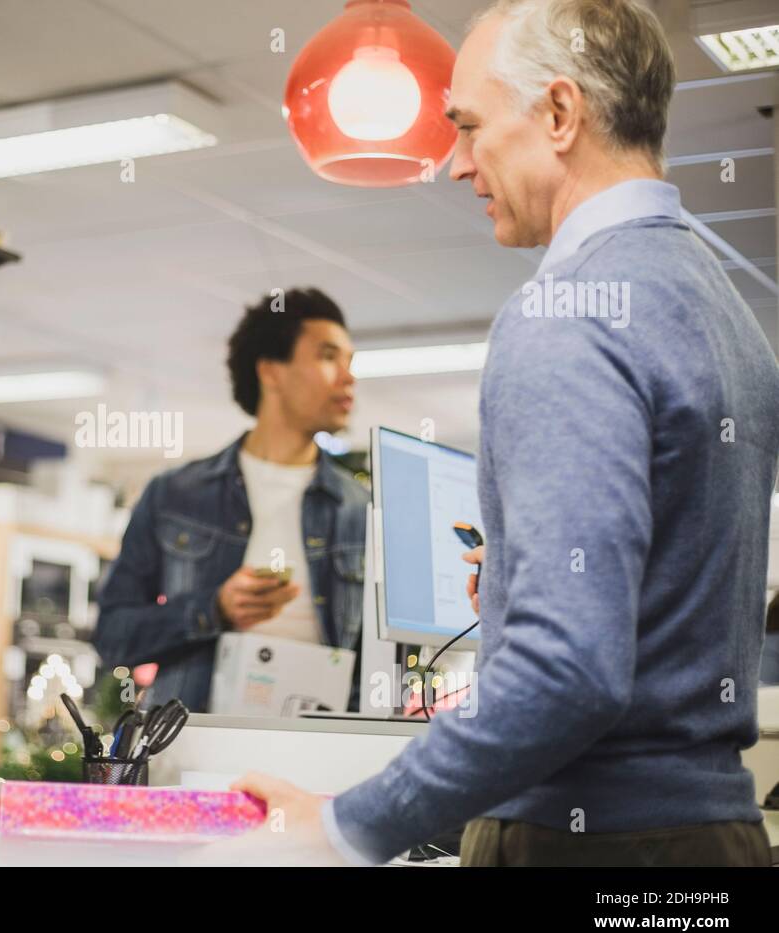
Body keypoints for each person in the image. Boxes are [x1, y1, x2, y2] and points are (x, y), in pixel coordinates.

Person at [220, 0, 779, 866]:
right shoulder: (728, 314)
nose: (454, 164)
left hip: (585, 840)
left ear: (559, 114)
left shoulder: (565, 316)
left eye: (470, 127)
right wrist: (529, 580)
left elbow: (568, 677)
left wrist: (338, 831)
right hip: (713, 839)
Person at [95, 288, 369, 712]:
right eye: (329, 357)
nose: (348, 377)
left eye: (351, 362)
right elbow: (113, 635)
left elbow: (381, 666)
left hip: (318, 753)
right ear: (271, 371)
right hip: (194, 747)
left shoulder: (361, 510)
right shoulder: (175, 496)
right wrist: (213, 609)